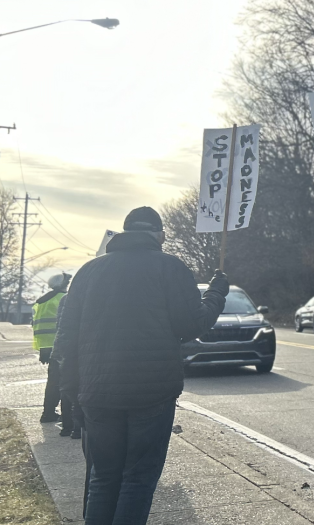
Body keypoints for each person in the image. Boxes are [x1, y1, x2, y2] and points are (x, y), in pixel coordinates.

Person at [53, 206, 229, 525]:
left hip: (97, 394)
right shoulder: (170, 268)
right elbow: (192, 325)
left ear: (124, 232)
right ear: (160, 235)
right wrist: (216, 293)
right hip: (152, 395)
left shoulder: (87, 272)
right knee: (137, 479)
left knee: (102, 478)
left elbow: (66, 341)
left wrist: (73, 396)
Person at [33, 273, 69, 426]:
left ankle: (48, 411)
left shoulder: (42, 301)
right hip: (60, 345)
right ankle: (55, 414)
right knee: (63, 381)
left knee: (53, 381)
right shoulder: (63, 298)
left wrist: (43, 348)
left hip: (45, 345)